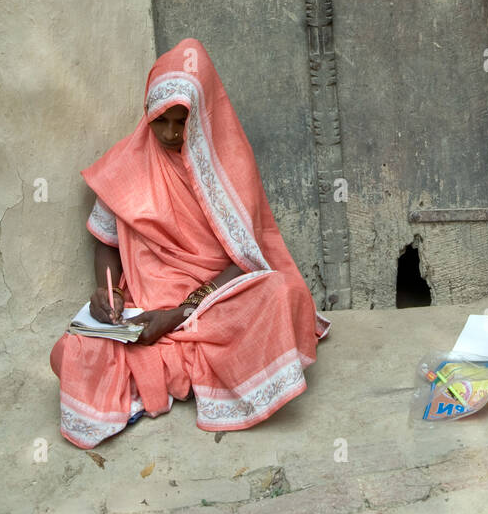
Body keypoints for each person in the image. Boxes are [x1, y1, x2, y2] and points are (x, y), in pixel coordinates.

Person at [50, 38, 330, 447]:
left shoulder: (227, 165)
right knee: (72, 351)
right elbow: (107, 244)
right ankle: (195, 368)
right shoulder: (124, 166)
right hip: (143, 309)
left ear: (200, 117)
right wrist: (107, 292)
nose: (168, 132)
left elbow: (245, 259)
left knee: (282, 293)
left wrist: (178, 313)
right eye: (159, 119)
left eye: (180, 122)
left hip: (211, 302)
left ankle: (170, 369)